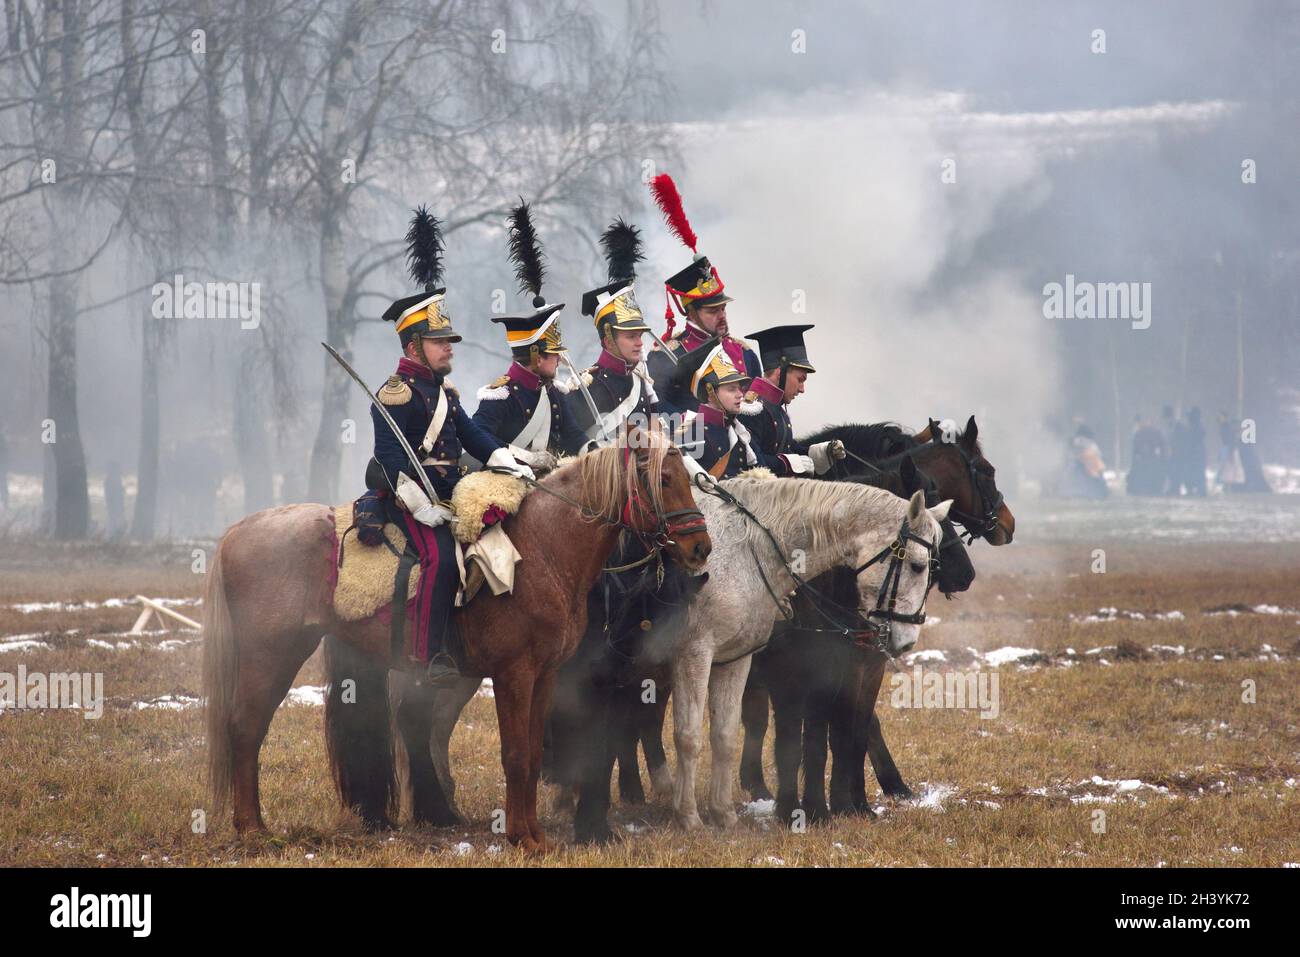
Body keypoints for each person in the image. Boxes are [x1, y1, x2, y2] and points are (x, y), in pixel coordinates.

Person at [363, 206, 534, 684]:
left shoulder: (444, 393)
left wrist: (501, 458)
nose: (450, 348)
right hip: (409, 501)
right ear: (414, 346)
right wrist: (419, 506)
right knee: (439, 559)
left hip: (451, 494)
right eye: (441, 342)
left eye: (450, 341)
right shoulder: (395, 395)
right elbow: (391, 461)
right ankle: (431, 654)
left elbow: (473, 435)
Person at [472, 201, 587, 462]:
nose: (559, 359)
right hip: (508, 480)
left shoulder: (554, 392)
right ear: (536, 354)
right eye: (553, 353)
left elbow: (572, 434)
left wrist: (590, 450)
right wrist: (525, 458)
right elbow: (478, 434)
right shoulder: (500, 395)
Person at [644, 173, 758, 417]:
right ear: (691, 311)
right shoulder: (666, 355)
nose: (722, 315)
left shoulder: (745, 353)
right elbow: (656, 408)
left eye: (723, 308)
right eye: (712, 311)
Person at [569, 218, 660, 447]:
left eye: (640, 335)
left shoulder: (641, 383)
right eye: (631, 336)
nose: (640, 343)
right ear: (608, 338)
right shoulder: (588, 388)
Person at [736, 324, 844, 476]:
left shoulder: (775, 406)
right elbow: (752, 462)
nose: (802, 389)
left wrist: (819, 452)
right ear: (780, 373)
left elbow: (786, 445)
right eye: (800, 379)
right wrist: (787, 463)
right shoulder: (751, 409)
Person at [669, 337, 757, 479]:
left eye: (740, 389)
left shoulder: (740, 432)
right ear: (710, 393)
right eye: (731, 389)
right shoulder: (688, 429)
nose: (740, 394)